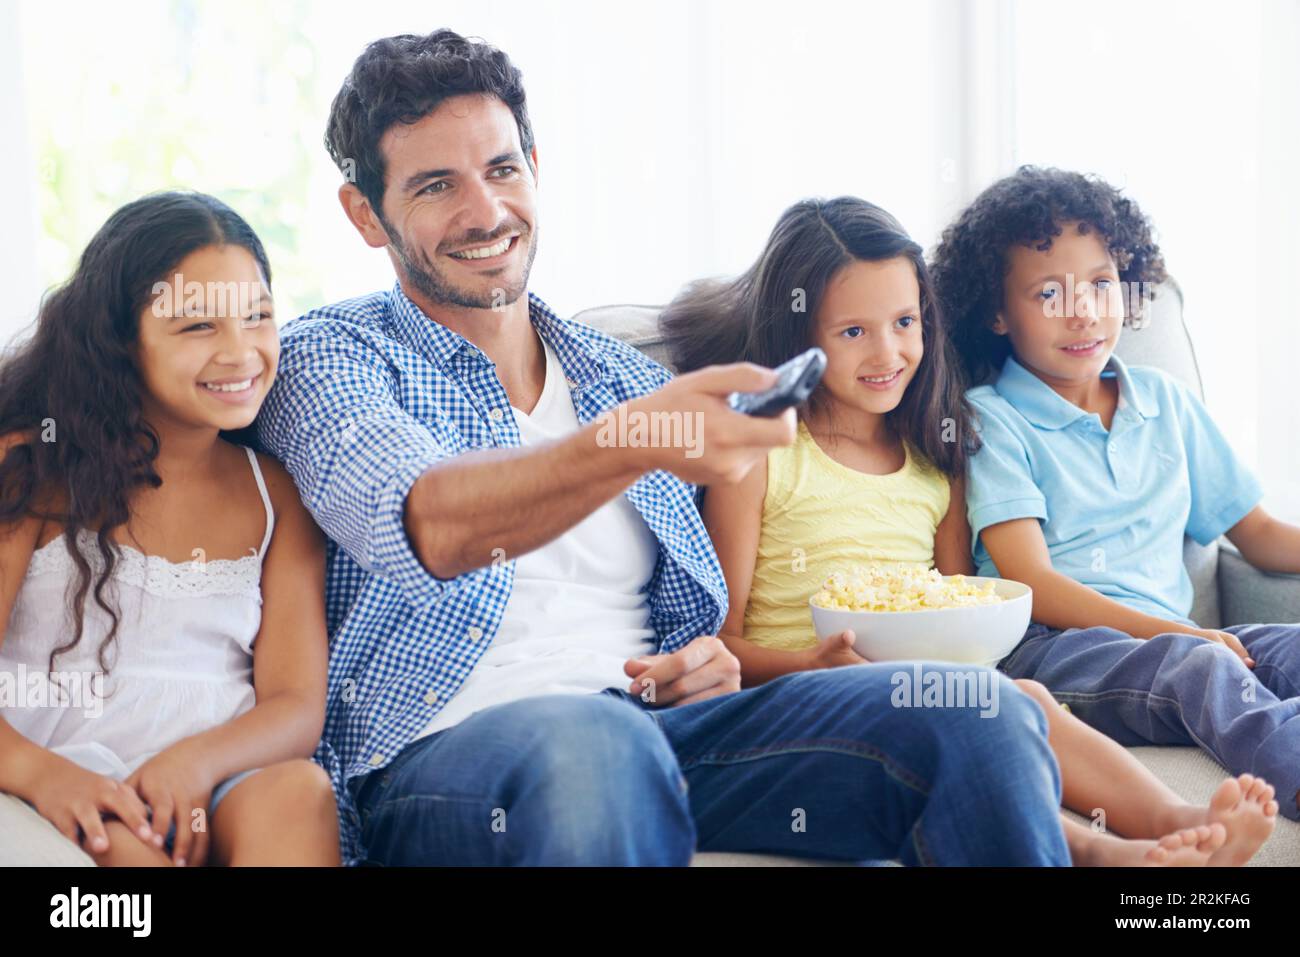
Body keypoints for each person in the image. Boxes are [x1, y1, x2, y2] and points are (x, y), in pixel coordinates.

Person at [252, 29, 1073, 866]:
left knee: (977, 708)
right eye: (436, 185)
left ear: (535, 164)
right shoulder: (330, 358)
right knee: (597, 744)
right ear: (365, 213)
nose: (486, 212)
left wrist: (697, 666)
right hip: (448, 760)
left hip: (665, 734)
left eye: (502, 169)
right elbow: (429, 523)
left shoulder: (617, 373)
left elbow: (694, 631)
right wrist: (634, 440)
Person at [665, 194, 1275, 865]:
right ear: (801, 335)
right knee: (990, 707)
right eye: (853, 332)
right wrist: (809, 663)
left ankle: (1176, 820)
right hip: (811, 692)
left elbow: (961, 601)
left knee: (1026, 698)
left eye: (904, 322)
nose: (888, 352)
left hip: (930, 681)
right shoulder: (759, 456)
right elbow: (718, 642)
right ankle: (1096, 851)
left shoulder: (937, 460)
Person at [931, 164, 1300, 826]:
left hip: (1181, 638)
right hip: (1058, 648)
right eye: (1049, 292)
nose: (1084, 311)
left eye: (1101, 284)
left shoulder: (1164, 402)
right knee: (1200, 665)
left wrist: (1193, 635)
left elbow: (1262, 534)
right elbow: (1032, 581)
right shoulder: (991, 419)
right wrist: (1184, 634)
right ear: (995, 311)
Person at [0, 191, 339, 866]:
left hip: (209, 786)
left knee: (298, 792)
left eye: (258, 316)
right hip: (57, 776)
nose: (241, 352)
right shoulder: (31, 467)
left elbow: (296, 704)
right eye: (197, 328)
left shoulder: (276, 497)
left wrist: (194, 763)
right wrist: (45, 776)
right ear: (122, 342)